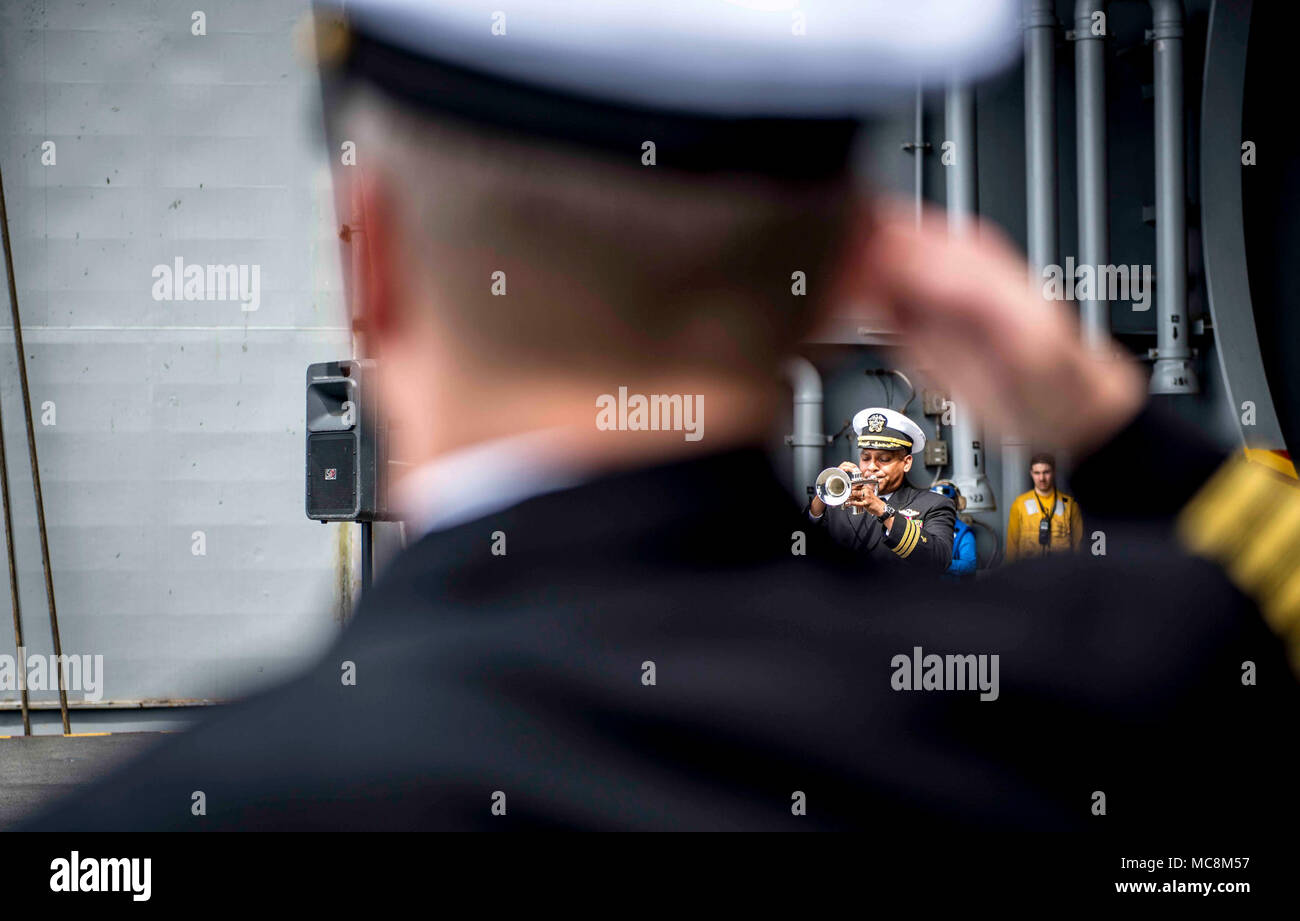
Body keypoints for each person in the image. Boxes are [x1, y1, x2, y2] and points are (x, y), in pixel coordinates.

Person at [21, 0, 1300, 831]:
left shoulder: (168, 820)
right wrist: (1101, 420)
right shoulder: (1134, 686)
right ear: (858, 272)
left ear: (370, 263)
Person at [805, 407, 955, 570]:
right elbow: (799, 545)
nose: (871, 467)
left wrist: (882, 510)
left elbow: (939, 560)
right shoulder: (838, 504)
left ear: (906, 463)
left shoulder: (935, 504)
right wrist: (825, 491)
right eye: (865, 458)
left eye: (883, 459)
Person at [1005, 452, 1085, 562]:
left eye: (1046, 472)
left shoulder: (1069, 504)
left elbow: (1078, 544)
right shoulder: (1020, 504)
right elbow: (1011, 545)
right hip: (1028, 569)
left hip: (1061, 569)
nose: (1041, 478)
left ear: (1054, 472)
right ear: (1031, 473)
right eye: (1037, 473)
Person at [930, 481, 977, 579]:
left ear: (955, 505)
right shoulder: (919, 526)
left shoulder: (963, 533)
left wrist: (941, 565)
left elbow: (969, 566)